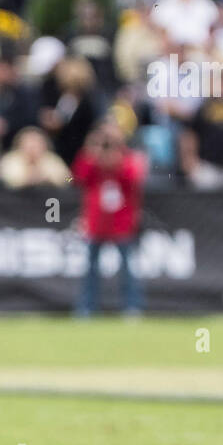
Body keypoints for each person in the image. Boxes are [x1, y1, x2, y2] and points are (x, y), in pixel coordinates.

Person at [72, 121, 146, 316]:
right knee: (90, 270)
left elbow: (133, 178)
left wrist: (117, 157)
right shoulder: (92, 161)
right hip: (96, 223)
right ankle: (87, 308)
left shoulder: (129, 159)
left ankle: (132, 307)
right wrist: (92, 151)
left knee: (128, 269)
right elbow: (77, 177)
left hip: (122, 223)